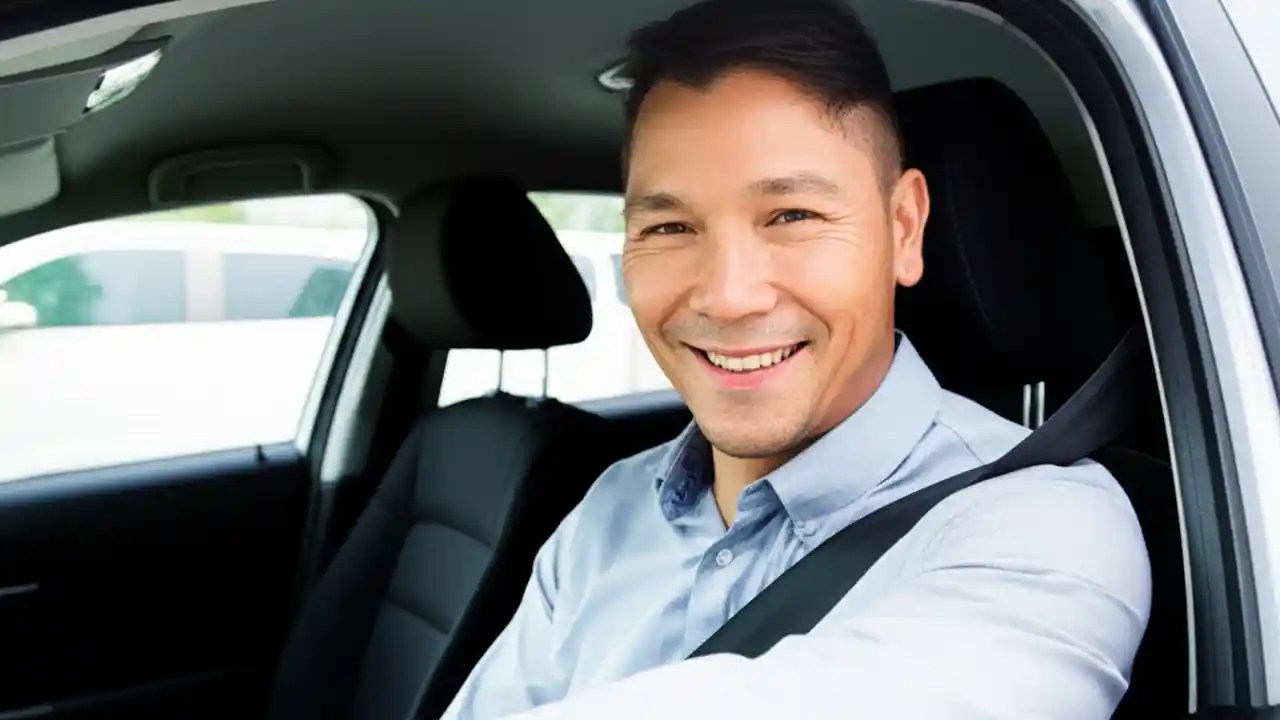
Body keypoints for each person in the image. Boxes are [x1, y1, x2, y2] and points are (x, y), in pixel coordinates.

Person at [442, 0, 1150, 717]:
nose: (727, 296)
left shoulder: (1043, 521)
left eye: (793, 216)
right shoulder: (609, 513)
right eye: (669, 225)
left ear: (904, 229)